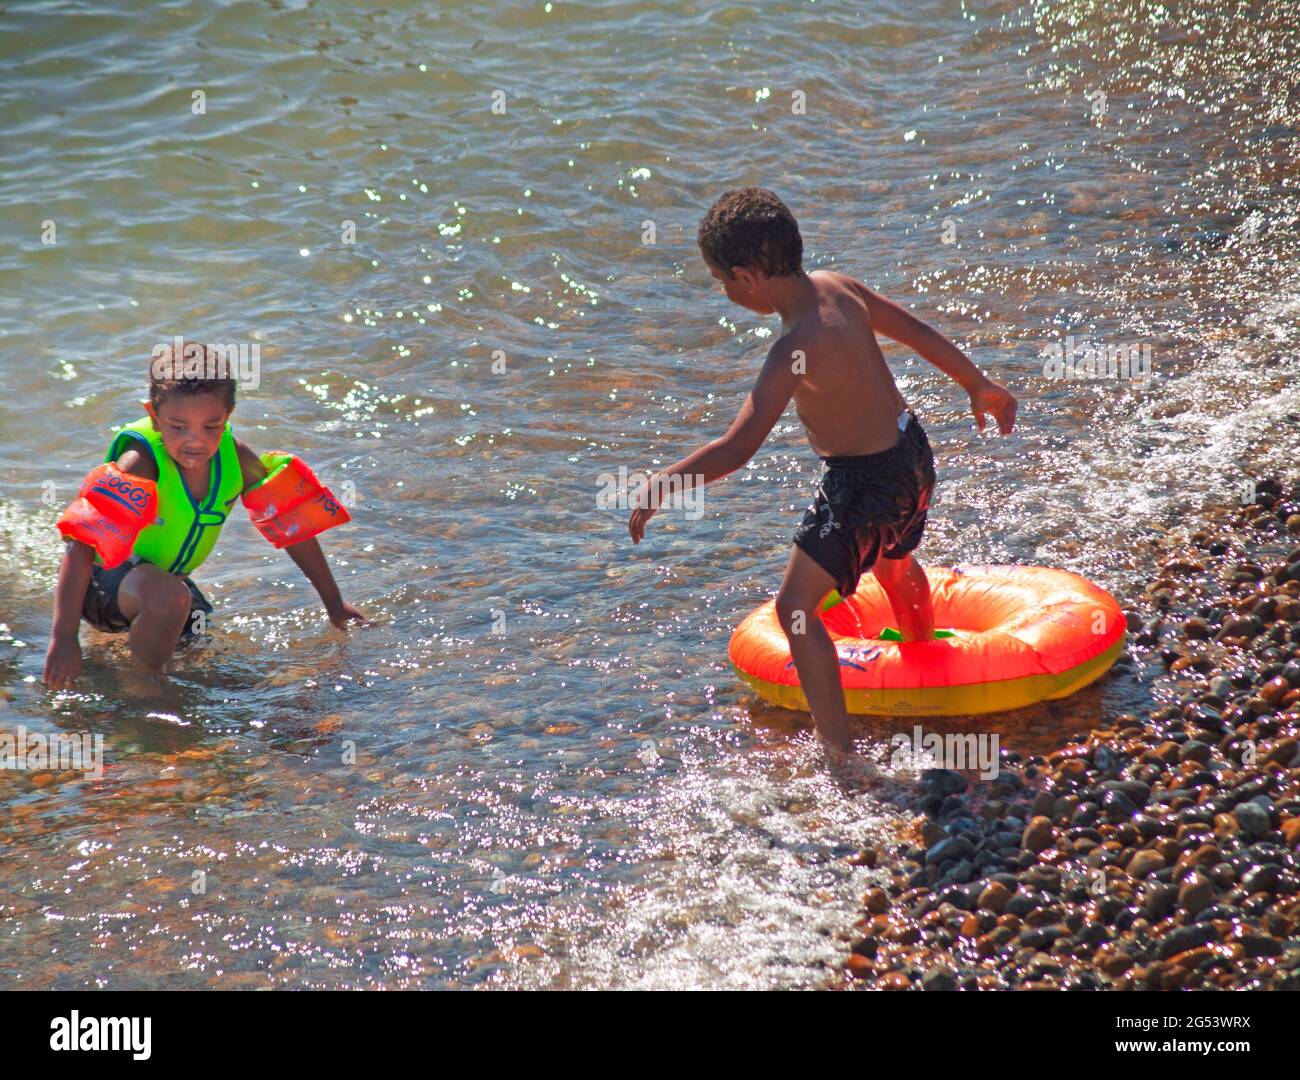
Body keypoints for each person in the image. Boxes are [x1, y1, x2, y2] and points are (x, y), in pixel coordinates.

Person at [628, 189, 1017, 752]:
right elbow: (917, 333)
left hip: (862, 483)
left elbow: (738, 447)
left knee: (795, 610)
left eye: (722, 280)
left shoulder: (793, 348)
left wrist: (666, 482)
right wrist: (977, 384)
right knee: (895, 563)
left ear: (747, 278)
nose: (724, 291)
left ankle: (839, 754)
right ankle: (924, 665)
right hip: (912, 453)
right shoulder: (841, 287)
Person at [43, 342, 366, 689]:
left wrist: (334, 604)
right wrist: (63, 637)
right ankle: (142, 686)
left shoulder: (238, 461)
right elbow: (80, 547)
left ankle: (141, 662)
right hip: (101, 587)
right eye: (178, 426)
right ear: (154, 415)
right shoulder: (142, 463)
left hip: (167, 586)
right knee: (170, 603)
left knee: (209, 656)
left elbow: (291, 525)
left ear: (228, 415)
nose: (194, 441)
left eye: (210, 427)